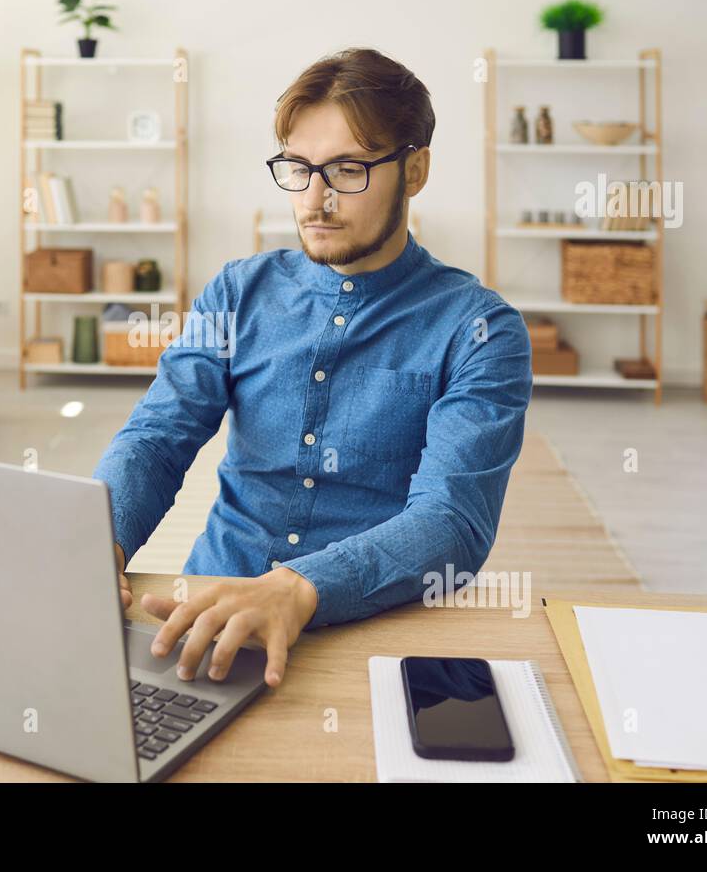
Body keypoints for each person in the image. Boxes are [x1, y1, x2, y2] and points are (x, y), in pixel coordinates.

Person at [93, 47, 532, 689]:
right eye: (298, 169)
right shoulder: (237, 292)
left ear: (415, 171)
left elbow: (453, 521)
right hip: (209, 610)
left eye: (347, 169)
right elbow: (157, 438)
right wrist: (101, 542)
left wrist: (301, 588)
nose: (316, 199)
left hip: (374, 629)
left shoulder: (482, 330)